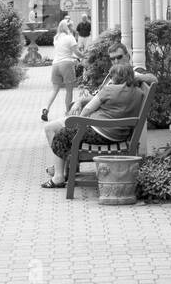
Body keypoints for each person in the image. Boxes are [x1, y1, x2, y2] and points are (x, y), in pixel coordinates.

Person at [42, 60, 145, 189]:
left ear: (116, 77)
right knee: (62, 130)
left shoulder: (110, 90)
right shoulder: (138, 92)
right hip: (120, 135)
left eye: (112, 76)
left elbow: (87, 109)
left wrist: (78, 122)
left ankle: (58, 177)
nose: (111, 79)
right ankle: (61, 170)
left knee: (62, 134)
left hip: (100, 132)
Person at [41, 19, 82, 122]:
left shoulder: (56, 38)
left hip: (55, 65)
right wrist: (84, 56)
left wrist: (72, 57)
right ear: (68, 27)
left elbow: (64, 52)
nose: (73, 28)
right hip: (66, 65)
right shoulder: (70, 37)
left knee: (55, 90)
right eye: (71, 26)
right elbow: (76, 52)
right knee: (69, 90)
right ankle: (68, 113)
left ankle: (46, 109)